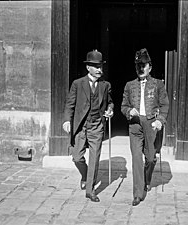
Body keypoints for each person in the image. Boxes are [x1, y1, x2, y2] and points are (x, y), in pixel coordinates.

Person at [63, 49, 114, 202]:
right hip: (81, 126)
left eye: (101, 67)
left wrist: (110, 110)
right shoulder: (78, 84)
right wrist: (67, 120)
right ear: (88, 68)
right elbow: (70, 104)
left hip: (97, 126)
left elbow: (110, 102)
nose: (100, 70)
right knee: (77, 156)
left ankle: (90, 190)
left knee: (94, 158)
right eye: (96, 66)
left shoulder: (105, 85)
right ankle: (84, 175)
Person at [121, 48, 169, 206]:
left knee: (150, 158)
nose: (140, 68)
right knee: (136, 158)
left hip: (151, 124)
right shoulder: (129, 85)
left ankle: (147, 179)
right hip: (135, 125)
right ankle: (137, 193)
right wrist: (129, 111)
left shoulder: (158, 85)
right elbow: (123, 106)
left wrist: (160, 121)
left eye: (143, 65)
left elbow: (164, 105)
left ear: (150, 67)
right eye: (137, 66)